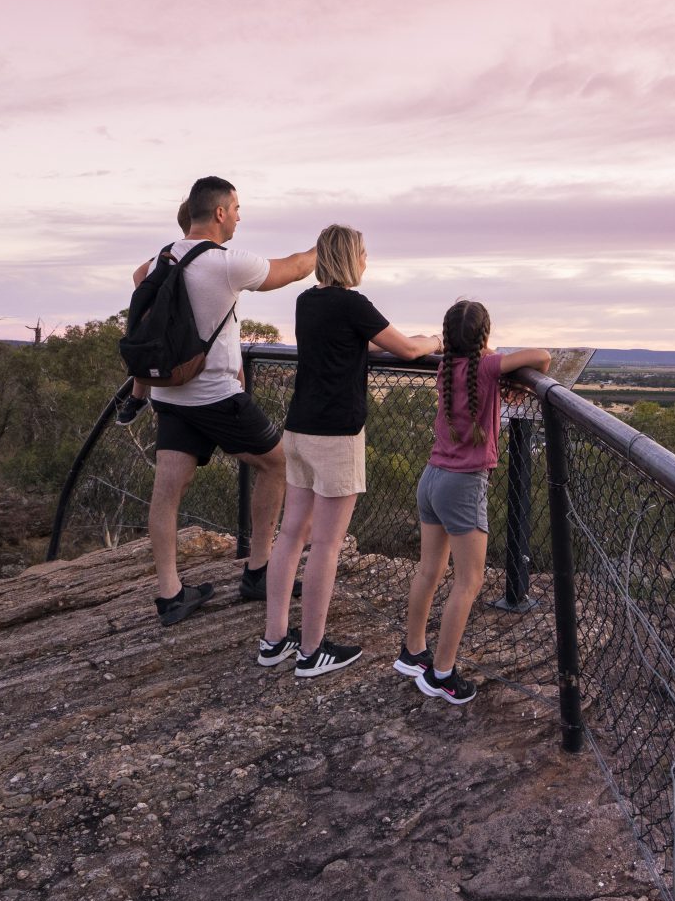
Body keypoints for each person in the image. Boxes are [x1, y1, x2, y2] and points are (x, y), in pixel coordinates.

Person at [259, 225, 440, 677]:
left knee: (290, 534)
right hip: (337, 435)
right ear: (349, 258)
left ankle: (274, 639)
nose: (366, 263)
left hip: (298, 429)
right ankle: (312, 650)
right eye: (363, 255)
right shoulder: (353, 305)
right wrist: (437, 341)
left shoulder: (306, 302)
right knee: (327, 544)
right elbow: (409, 350)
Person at [143, 176, 315, 626]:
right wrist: (328, 246)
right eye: (237, 208)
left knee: (167, 492)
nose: (240, 215)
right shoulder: (225, 263)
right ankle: (258, 571)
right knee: (278, 464)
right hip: (216, 396)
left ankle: (170, 594)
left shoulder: (164, 257)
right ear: (219, 213)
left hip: (170, 394)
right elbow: (294, 269)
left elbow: (139, 278)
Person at [399, 299, 549, 704]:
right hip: (463, 485)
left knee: (429, 569)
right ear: (485, 337)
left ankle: (413, 651)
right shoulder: (486, 367)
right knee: (469, 581)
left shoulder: (446, 367)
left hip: (432, 478)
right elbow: (543, 356)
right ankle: (442, 673)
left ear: (447, 337)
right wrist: (496, 360)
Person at [116, 198, 193, 425]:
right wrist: (156, 303)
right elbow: (138, 273)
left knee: (149, 344)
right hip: (172, 320)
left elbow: (138, 272)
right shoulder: (176, 252)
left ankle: (136, 398)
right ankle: (137, 398)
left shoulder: (171, 252)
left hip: (170, 321)